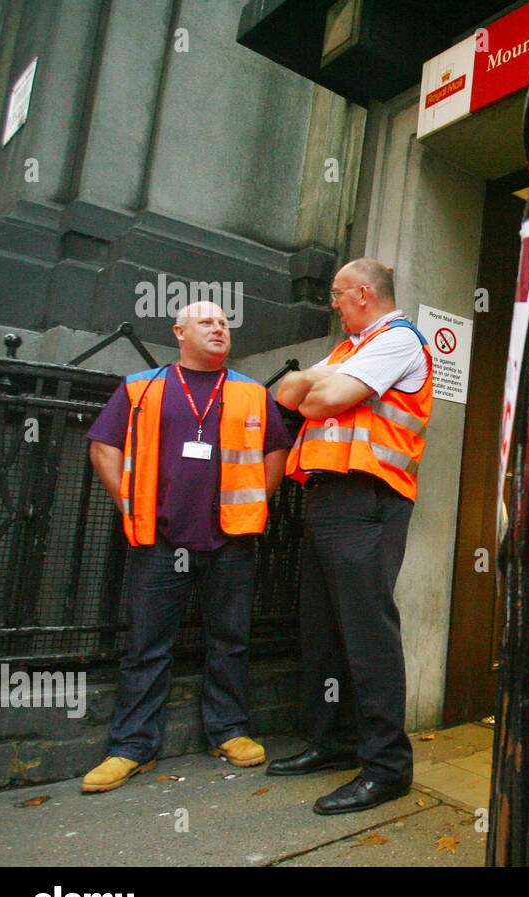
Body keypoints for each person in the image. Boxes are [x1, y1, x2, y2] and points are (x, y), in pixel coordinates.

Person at [81, 300, 292, 793]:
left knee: (230, 642)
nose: (219, 328)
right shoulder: (142, 386)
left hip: (231, 541)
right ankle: (131, 748)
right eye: (207, 322)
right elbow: (103, 446)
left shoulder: (250, 394)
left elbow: (276, 450)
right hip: (159, 541)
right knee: (146, 648)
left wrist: (255, 502)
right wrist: (130, 505)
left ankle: (230, 731)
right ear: (180, 331)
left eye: (224, 323)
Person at [270, 258, 431, 816]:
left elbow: (323, 401)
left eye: (337, 295)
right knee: (324, 630)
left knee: (367, 634)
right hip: (328, 497)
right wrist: (318, 385)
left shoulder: (398, 340)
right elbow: (293, 392)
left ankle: (387, 766)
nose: (332, 303)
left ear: (363, 293)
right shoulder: (348, 350)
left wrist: (320, 388)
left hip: (369, 498)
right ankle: (334, 742)